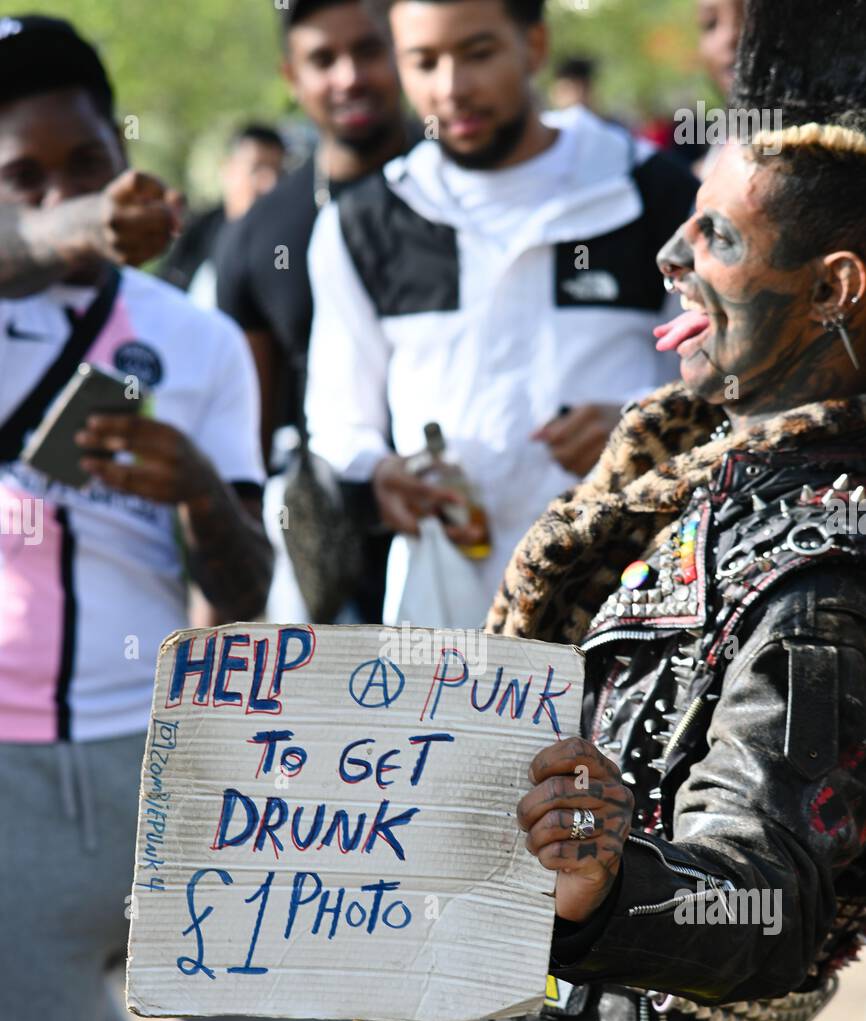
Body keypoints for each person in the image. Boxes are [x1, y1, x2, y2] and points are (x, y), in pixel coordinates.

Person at [355, 0, 866, 1021]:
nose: (665, 252)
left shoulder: (824, 568)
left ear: (833, 286)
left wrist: (592, 890)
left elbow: (762, 904)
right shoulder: (707, 476)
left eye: (712, 232)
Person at [0, 16, 358, 1021]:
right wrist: (60, 232)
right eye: (18, 177)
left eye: (82, 162)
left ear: (121, 153)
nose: (59, 196)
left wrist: (204, 493)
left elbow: (249, 594)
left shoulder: (191, 340)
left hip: (176, 774)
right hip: (6, 804)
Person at [304, 0, 698, 629]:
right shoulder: (363, 223)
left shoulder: (655, 193)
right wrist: (381, 475)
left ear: (534, 46)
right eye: (424, 61)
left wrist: (639, 430)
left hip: (630, 608)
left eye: (478, 53)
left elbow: (723, 388)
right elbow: (338, 418)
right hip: (443, 627)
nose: (452, 88)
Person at [217, 0, 413, 627]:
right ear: (290, 75)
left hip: (481, 534)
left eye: (369, 50)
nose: (349, 77)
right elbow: (243, 446)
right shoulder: (258, 236)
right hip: (327, 573)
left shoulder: (472, 198)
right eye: (323, 59)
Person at [161, 124, 286, 309]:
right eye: (257, 170)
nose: (269, 184)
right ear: (228, 169)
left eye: (278, 172)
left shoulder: (284, 244)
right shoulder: (197, 231)